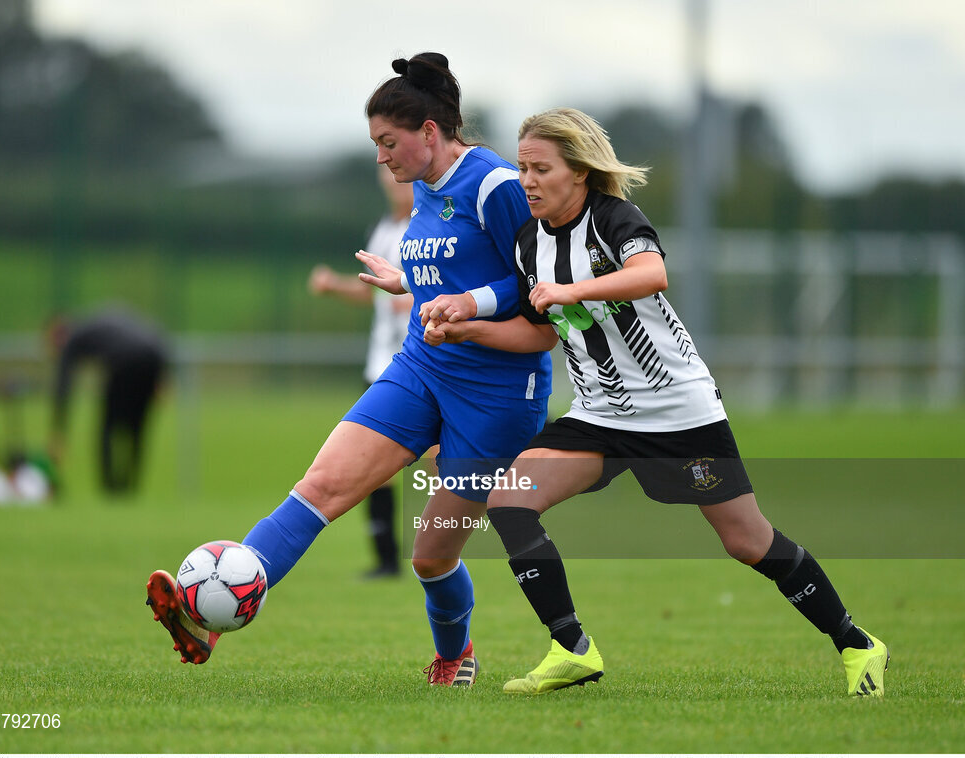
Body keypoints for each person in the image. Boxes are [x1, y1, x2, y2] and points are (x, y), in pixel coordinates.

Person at [423, 107, 888, 697]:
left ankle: (857, 644)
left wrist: (572, 289)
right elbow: (542, 331)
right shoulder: (526, 240)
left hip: (677, 411)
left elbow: (651, 274)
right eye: (523, 168)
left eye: (542, 169)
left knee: (747, 542)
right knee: (511, 500)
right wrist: (466, 328)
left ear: (581, 173)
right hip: (598, 414)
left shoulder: (615, 218)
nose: (529, 181)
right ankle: (572, 649)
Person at [145, 52, 554, 686]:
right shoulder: (423, 187)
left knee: (430, 557)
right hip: (422, 368)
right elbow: (453, 272)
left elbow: (541, 307)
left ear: (428, 131)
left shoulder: (497, 185)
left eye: (389, 143)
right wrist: (411, 282)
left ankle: (455, 654)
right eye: (375, 145)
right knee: (321, 486)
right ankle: (211, 610)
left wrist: (469, 309)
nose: (382, 159)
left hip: (498, 393)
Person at [307, 165, 415, 578]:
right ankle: (387, 559)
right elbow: (373, 289)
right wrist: (335, 285)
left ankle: (444, 553)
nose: (393, 179)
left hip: (422, 363)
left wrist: (423, 296)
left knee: (445, 464)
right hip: (381, 365)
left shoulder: (430, 229)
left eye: (400, 173)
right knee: (374, 467)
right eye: (386, 172)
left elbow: (446, 282)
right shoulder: (384, 230)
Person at [48, 307, 168, 494]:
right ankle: (129, 488)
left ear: (59, 333)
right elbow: (154, 334)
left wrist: (58, 431)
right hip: (152, 358)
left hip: (125, 362)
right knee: (137, 428)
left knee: (106, 428)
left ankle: (110, 489)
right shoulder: (100, 322)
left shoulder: (75, 338)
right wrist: (161, 377)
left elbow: (64, 387)